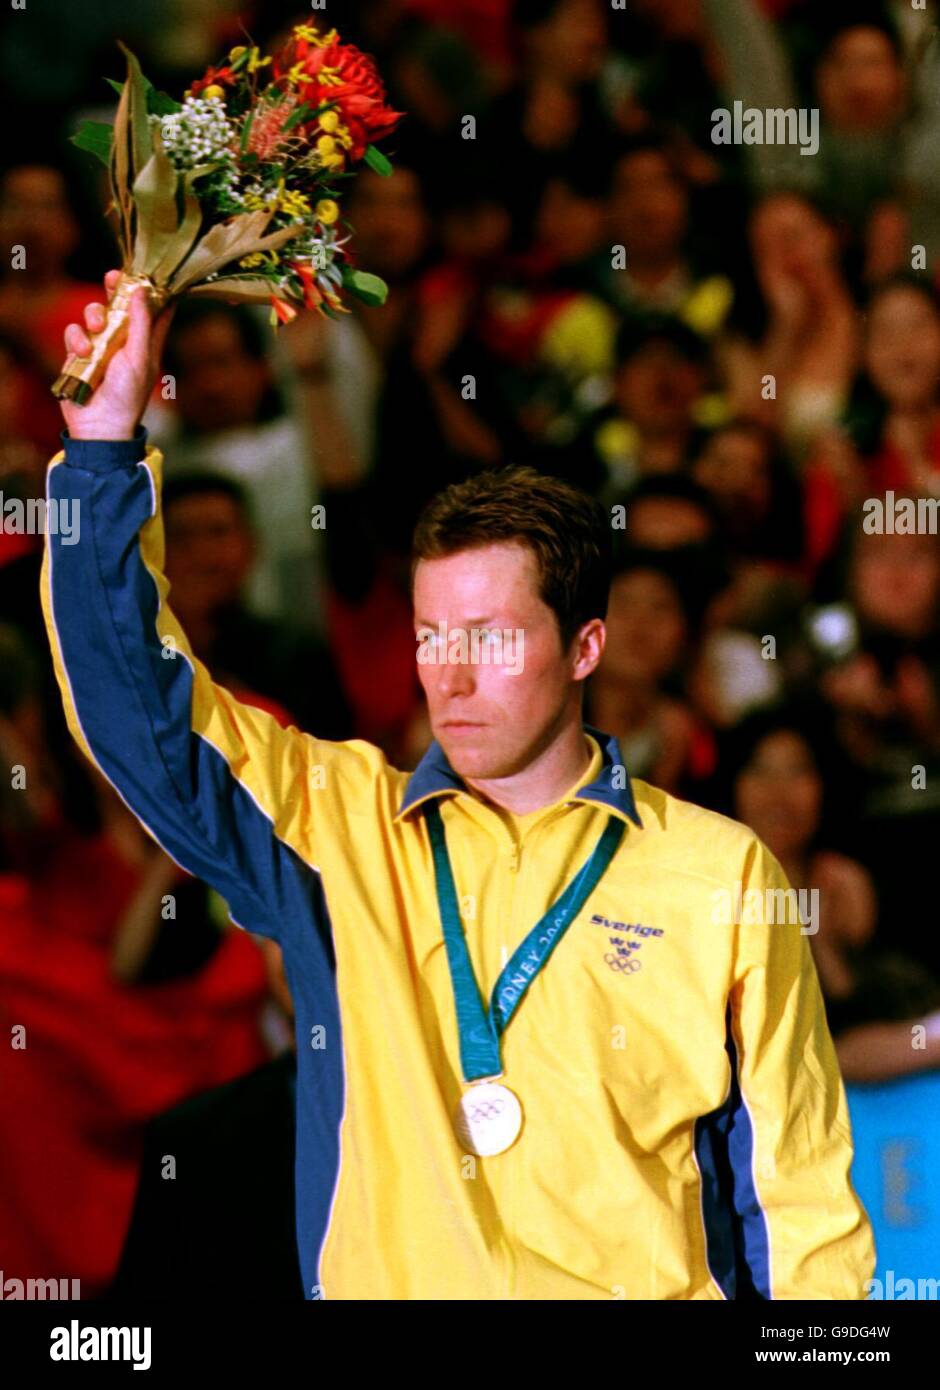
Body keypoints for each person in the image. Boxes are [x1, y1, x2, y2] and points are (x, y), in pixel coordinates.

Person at [41, 270, 876, 1300]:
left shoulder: (718, 870)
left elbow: (797, 1210)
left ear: (584, 647)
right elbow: (140, 715)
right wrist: (100, 455)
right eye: (434, 634)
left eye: (489, 636)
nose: (450, 671)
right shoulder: (337, 826)